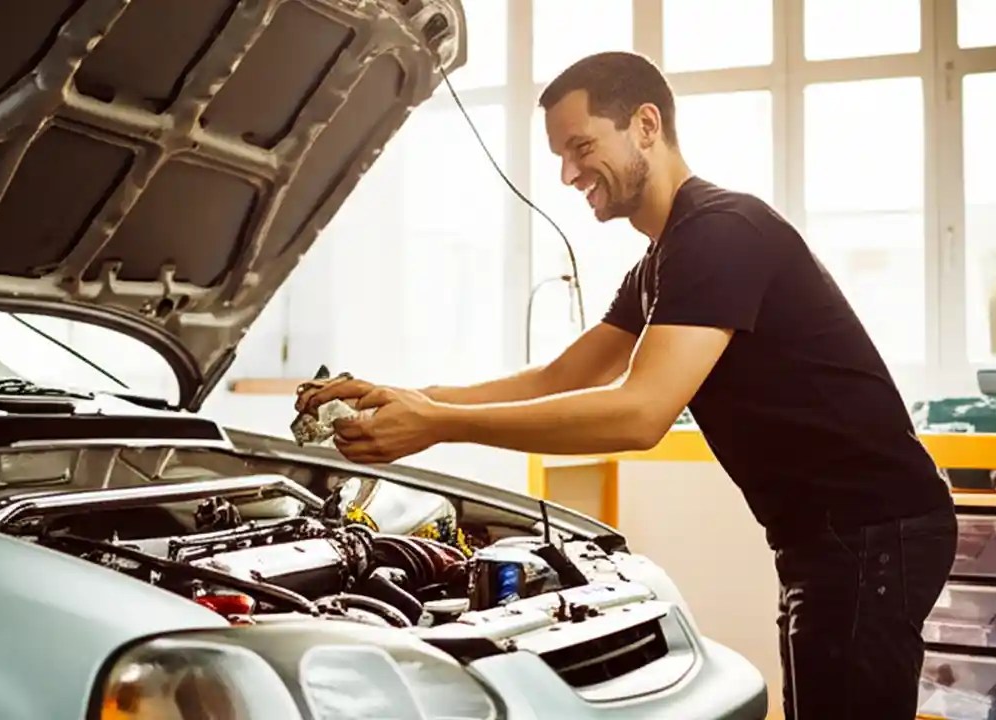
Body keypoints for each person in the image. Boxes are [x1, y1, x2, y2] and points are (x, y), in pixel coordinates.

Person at [296, 50, 959, 719]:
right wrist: (410, 398)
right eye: (560, 156)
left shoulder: (720, 233)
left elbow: (641, 413)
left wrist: (439, 425)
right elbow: (560, 377)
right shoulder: (663, 261)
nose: (567, 174)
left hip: (875, 532)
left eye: (581, 147)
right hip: (830, 537)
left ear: (646, 125)